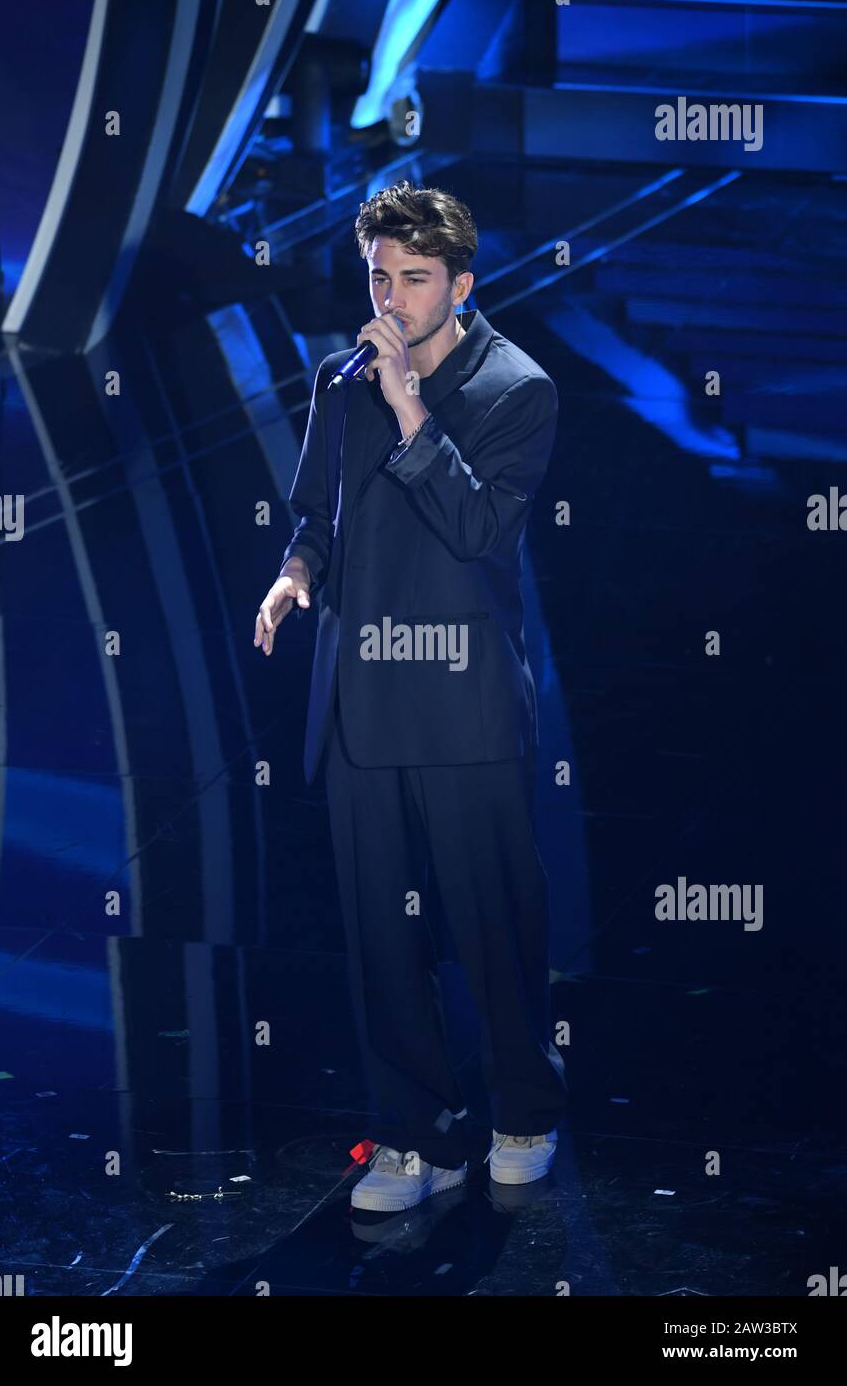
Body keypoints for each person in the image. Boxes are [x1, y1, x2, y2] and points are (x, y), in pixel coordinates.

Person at [254, 181, 567, 1214]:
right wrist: (296, 571)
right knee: (377, 936)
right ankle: (409, 1137)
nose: (389, 298)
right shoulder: (340, 380)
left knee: (489, 921)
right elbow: (316, 510)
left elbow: (478, 532)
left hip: (462, 703)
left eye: (413, 280)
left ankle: (524, 1110)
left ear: (461, 287)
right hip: (359, 703)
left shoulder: (517, 390)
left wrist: (407, 405)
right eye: (378, 277)